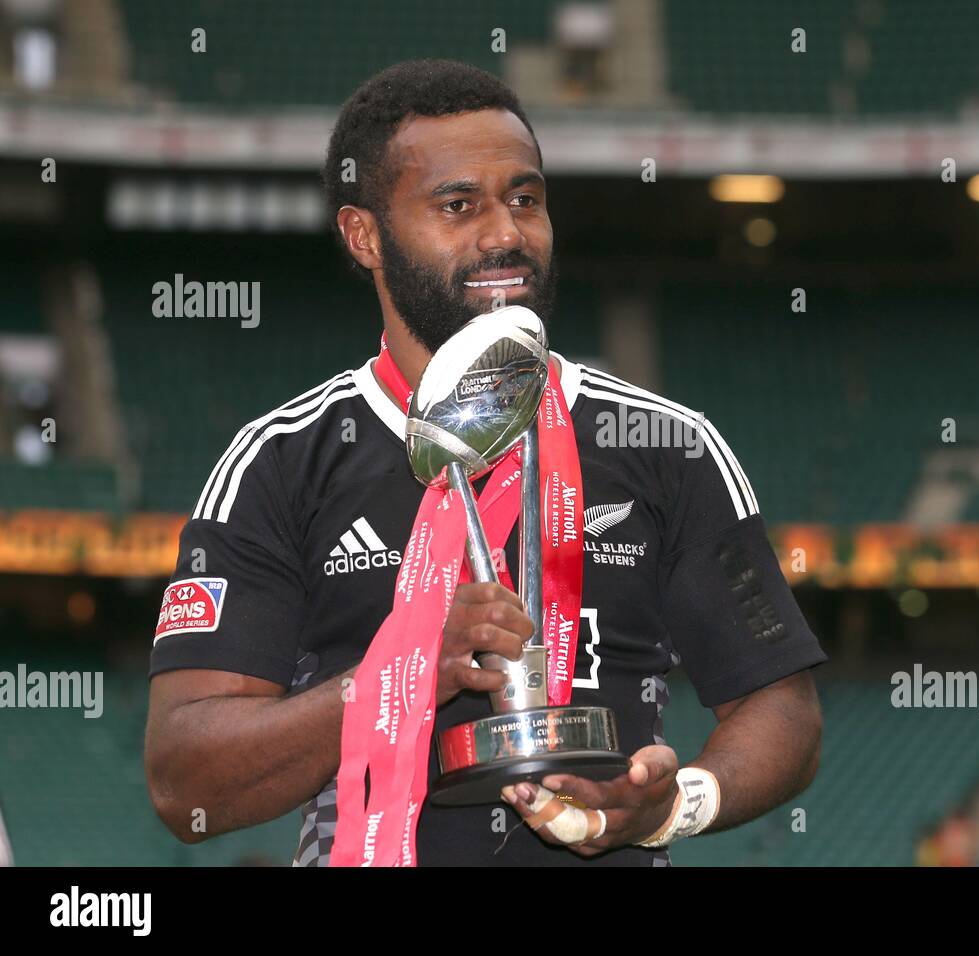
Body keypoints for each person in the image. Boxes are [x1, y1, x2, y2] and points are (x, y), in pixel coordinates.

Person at [144, 59, 826, 866]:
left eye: (526, 200)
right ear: (364, 235)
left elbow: (782, 706)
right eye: (458, 205)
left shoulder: (667, 445)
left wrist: (677, 803)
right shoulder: (281, 461)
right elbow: (184, 781)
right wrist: (401, 672)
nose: (505, 233)